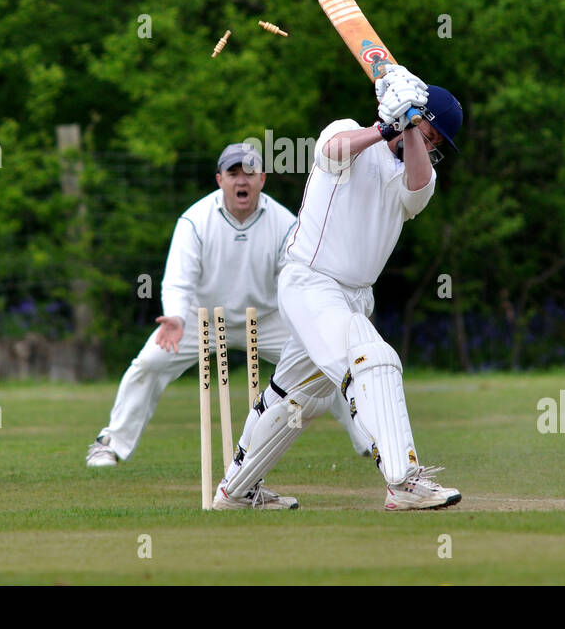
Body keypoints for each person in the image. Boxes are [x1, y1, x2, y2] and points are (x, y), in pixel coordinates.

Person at [214, 66, 463, 511]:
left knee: (298, 397)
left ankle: (236, 492)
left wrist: (410, 128)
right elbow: (330, 151)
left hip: (353, 296)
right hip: (309, 281)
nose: (430, 148)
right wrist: (388, 125)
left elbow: (419, 185)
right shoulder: (350, 133)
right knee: (375, 356)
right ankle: (403, 480)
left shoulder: (418, 175)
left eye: (436, 144)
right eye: (431, 135)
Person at [86, 143, 370, 507]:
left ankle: (367, 438)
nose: (242, 181)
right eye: (234, 173)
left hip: (266, 319)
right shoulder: (195, 220)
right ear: (220, 179)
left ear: (262, 179)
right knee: (149, 364)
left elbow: (295, 279)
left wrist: (310, 322)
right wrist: (174, 315)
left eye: (249, 173)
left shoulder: (284, 222)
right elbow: (178, 279)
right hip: (200, 319)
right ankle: (110, 444)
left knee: (328, 363)